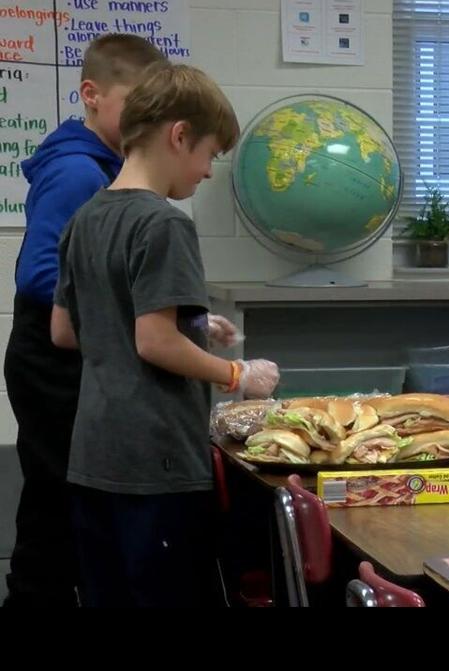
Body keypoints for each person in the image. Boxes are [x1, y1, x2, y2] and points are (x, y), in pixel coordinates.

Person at [50, 62, 279, 607]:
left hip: (94, 459)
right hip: (158, 466)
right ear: (179, 135)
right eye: (209, 156)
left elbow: (64, 330)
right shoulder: (165, 222)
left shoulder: (86, 215)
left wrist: (193, 327)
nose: (205, 173)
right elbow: (152, 342)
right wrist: (237, 373)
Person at [3, 34, 174, 608]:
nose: (146, 118)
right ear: (92, 96)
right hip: (51, 358)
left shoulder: (106, 164)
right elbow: (38, 276)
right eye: (136, 103)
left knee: (65, 498)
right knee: (57, 499)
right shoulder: (79, 172)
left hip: (72, 350)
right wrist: (126, 316)